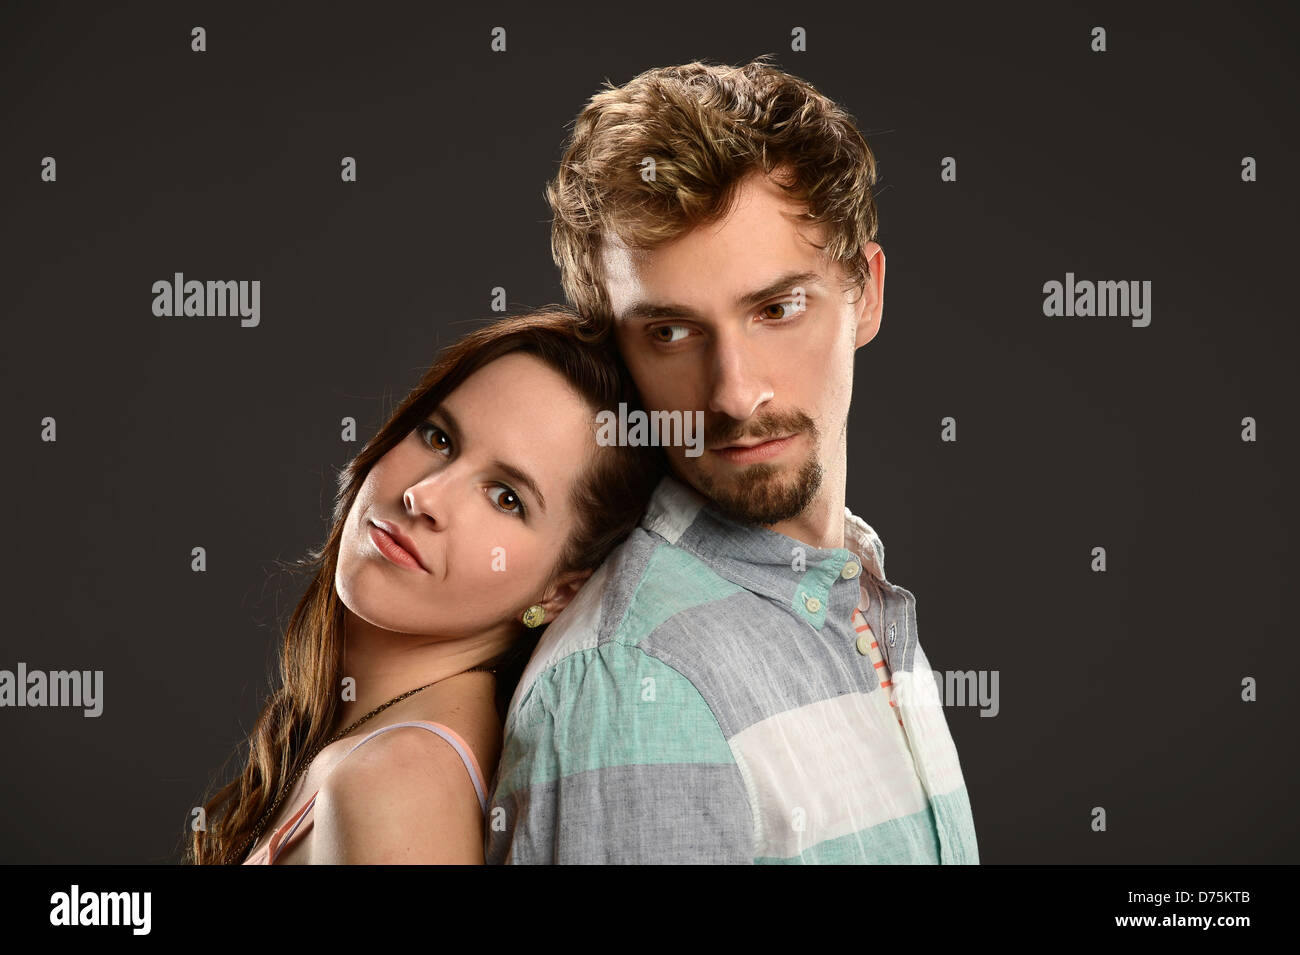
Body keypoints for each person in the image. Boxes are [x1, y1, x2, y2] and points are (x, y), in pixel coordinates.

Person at [486, 57, 980, 863]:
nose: (735, 395)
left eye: (777, 308)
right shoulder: (634, 687)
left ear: (867, 292)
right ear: (616, 353)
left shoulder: (854, 590)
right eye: (670, 332)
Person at [186, 308, 666, 864]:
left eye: (506, 498)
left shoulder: (398, 780)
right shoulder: (368, 748)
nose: (426, 496)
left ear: (557, 593)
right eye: (439, 438)